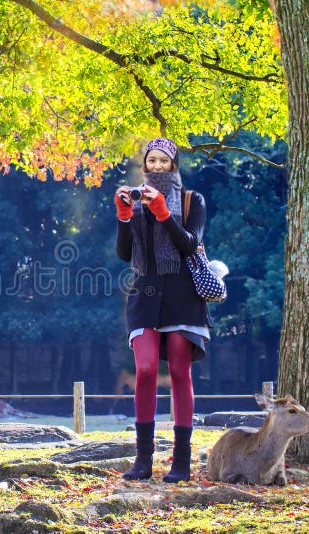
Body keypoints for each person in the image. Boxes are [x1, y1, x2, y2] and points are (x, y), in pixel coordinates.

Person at [114, 137, 211, 483]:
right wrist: (125, 216)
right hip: (146, 294)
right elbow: (125, 254)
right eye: (151, 161)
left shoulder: (191, 200)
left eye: (163, 161)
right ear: (145, 166)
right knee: (145, 369)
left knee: (181, 372)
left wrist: (165, 214)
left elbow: (189, 243)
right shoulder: (137, 200)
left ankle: (181, 463)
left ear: (173, 164)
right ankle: (143, 460)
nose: (156, 166)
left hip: (183, 295)